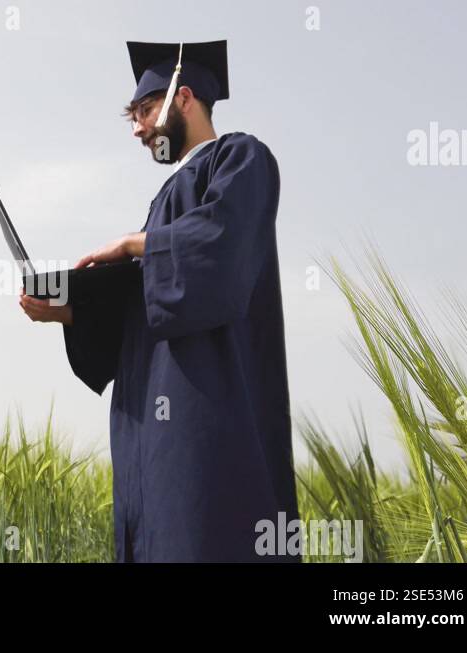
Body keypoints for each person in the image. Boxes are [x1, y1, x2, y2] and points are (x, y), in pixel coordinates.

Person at [19, 40, 300, 562]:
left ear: (184, 97)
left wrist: (133, 244)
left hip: (208, 423)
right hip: (152, 438)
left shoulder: (241, 159)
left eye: (145, 111)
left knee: (206, 534)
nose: (138, 129)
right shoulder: (162, 204)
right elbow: (147, 311)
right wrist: (71, 311)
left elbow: (220, 244)